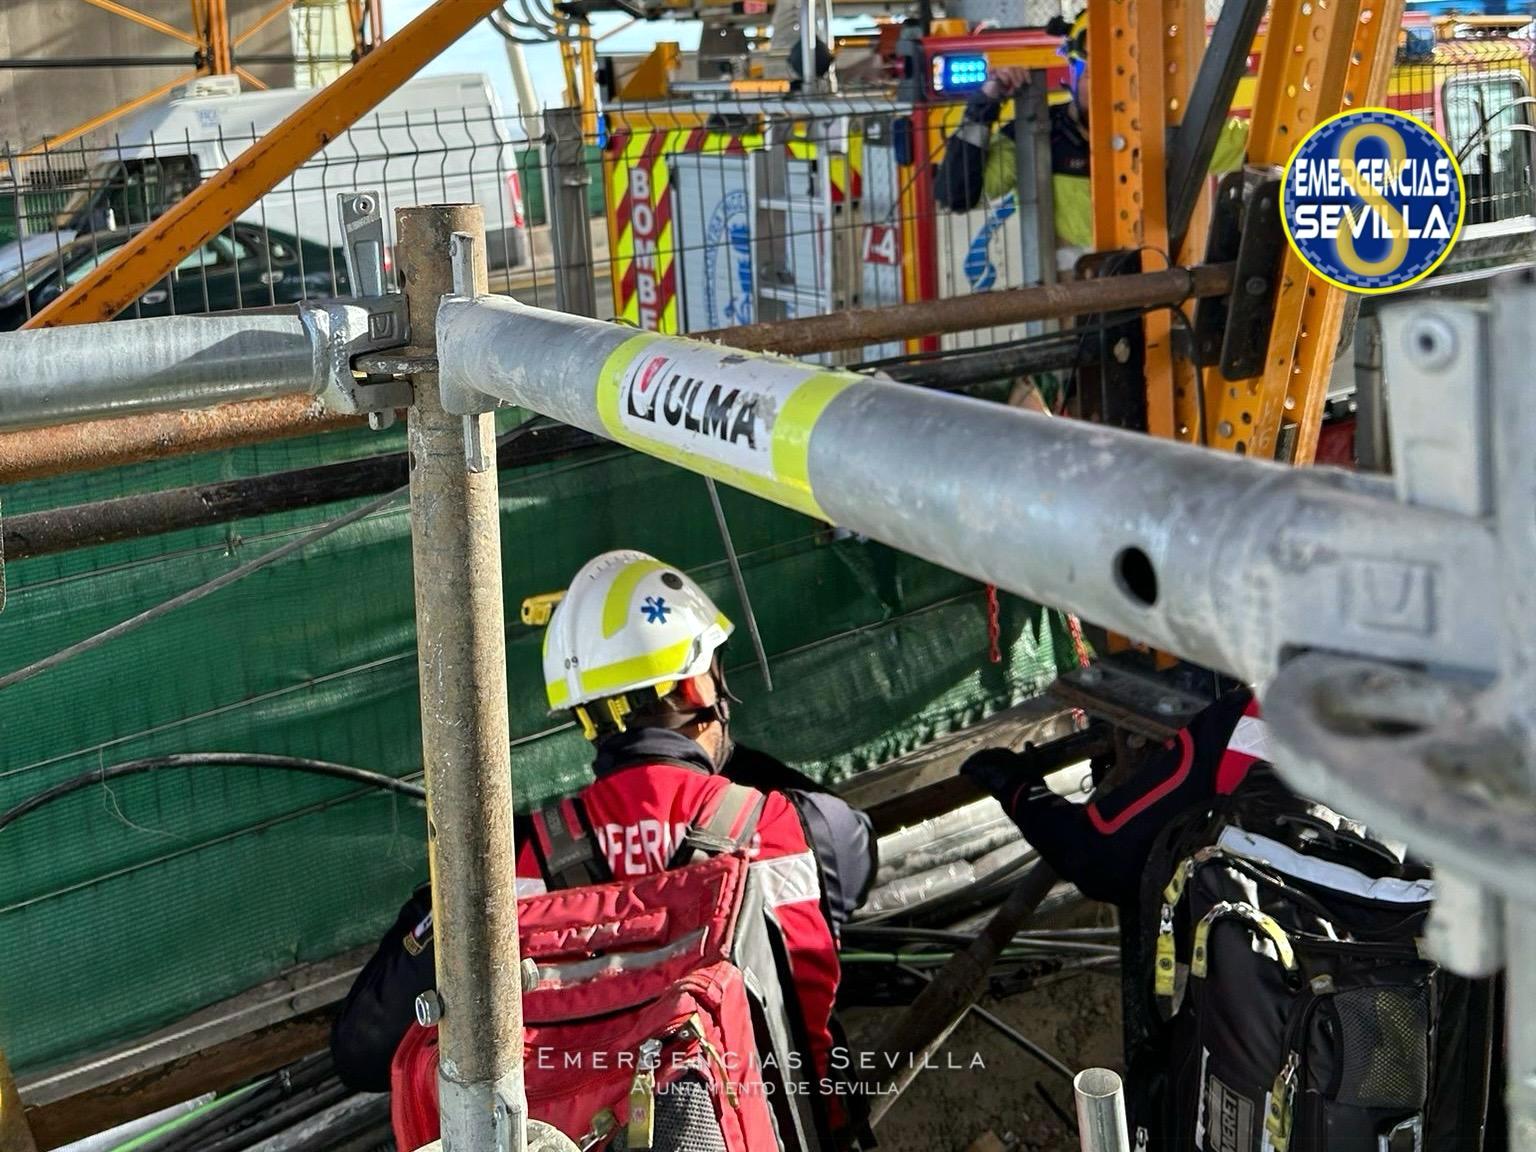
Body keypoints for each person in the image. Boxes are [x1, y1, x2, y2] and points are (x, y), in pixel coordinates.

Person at [331, 549, 877, 1104]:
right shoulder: (800, 828)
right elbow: (858, 854)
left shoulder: (516, 864)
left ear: (584, 714)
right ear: (697, 688)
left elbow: (364, 1051)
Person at [937, 10, 1248, 266]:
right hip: (1077, 296)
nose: (1106, 89)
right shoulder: (1035, 135)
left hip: (1159, 283)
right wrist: (983, 106)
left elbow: (1254, 144)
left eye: (1120, 76)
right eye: (1093, 75)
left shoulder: (1172, 132)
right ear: (1072, 72)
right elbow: (956, 195)